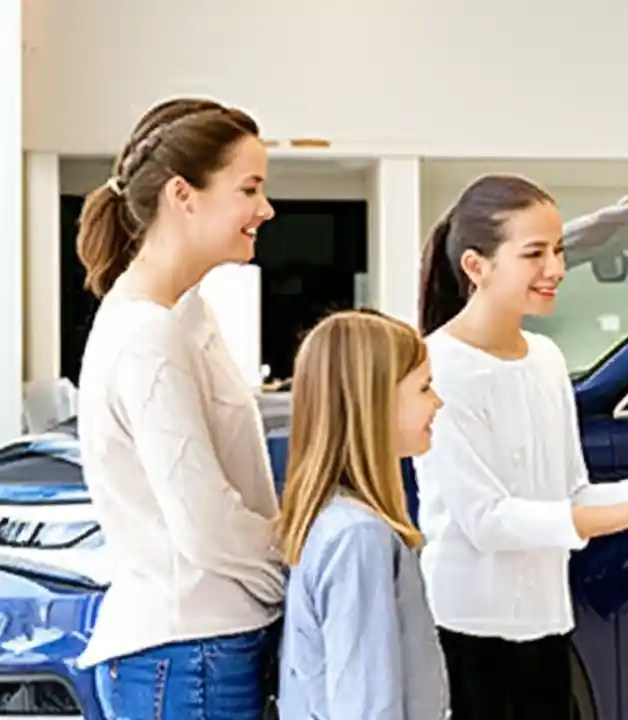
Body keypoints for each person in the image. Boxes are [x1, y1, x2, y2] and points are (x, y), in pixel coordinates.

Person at [415, 173, 628, 718]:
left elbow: (570, 493)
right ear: (476, 267)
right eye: (534, 253)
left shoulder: (545, 359)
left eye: (557, 250)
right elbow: (487, 521)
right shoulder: (439, 368)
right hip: (468, 630)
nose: (555, 269)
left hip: (548, 623)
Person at [74, 98, 284, 718]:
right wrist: (290, 571)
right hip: (187, 650)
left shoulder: (184, 314)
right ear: (182, 194)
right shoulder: (149, 336)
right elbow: (205, 521)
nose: (265, 210)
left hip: (200, 645)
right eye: (249, 188)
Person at [275, 309, 448, 719]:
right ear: (374, 402)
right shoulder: (358, 538)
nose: (437, 402)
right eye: (424, 388)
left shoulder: (335, 524)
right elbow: (367, 704)